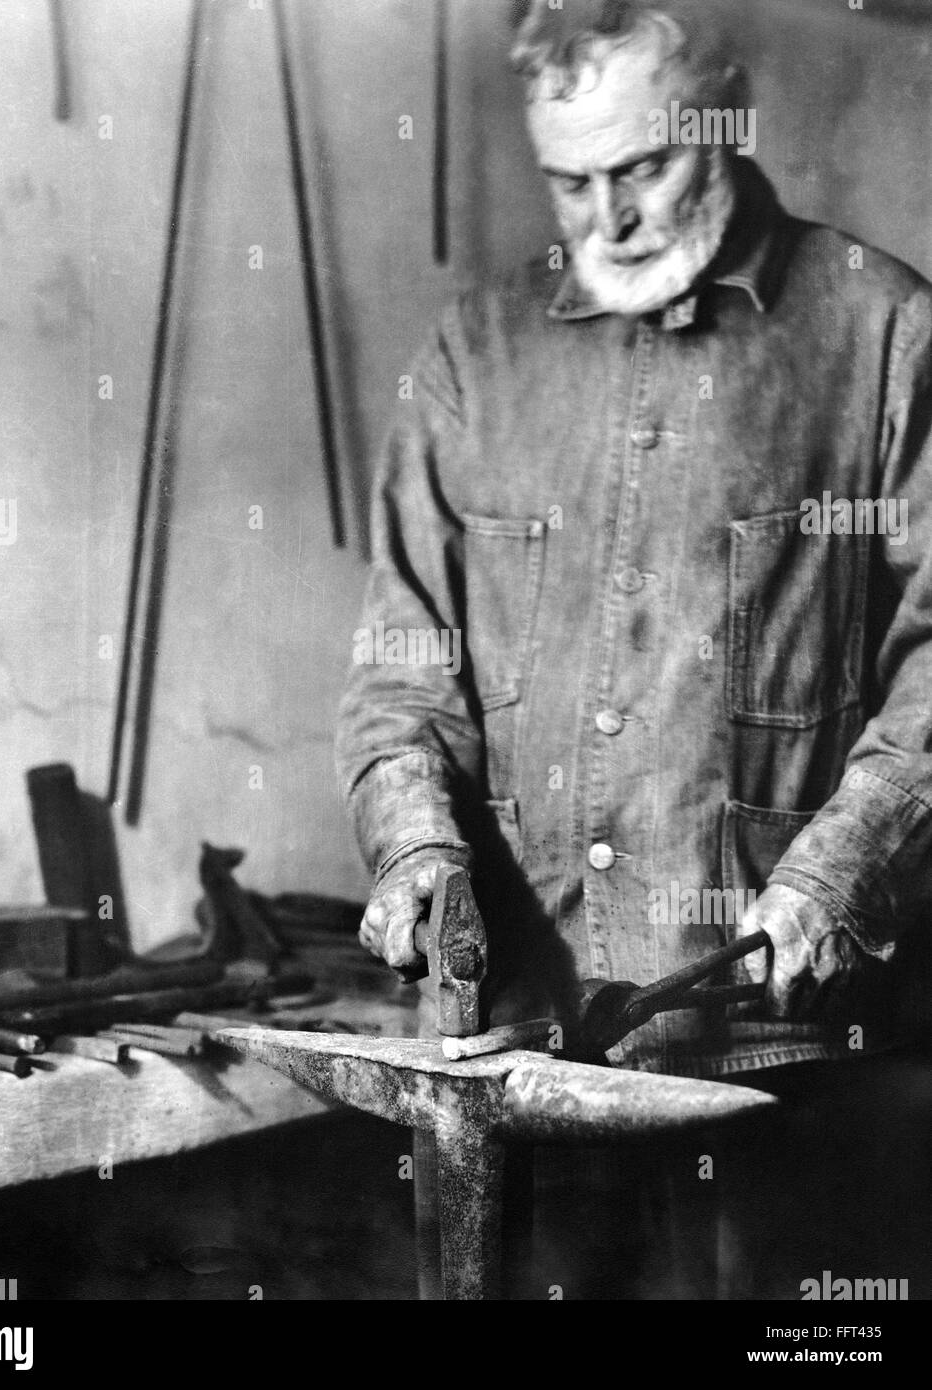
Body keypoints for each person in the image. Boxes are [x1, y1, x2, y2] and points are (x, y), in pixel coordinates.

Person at [335, 0, 932, 1295]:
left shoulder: (882, 331)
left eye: (643, 166)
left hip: (787, 1063)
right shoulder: (469, 361)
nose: (604, 221)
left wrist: (844, 859)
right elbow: (399, 666)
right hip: (525, 1048)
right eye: (568, 182)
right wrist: (416, 848)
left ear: (723, 112)